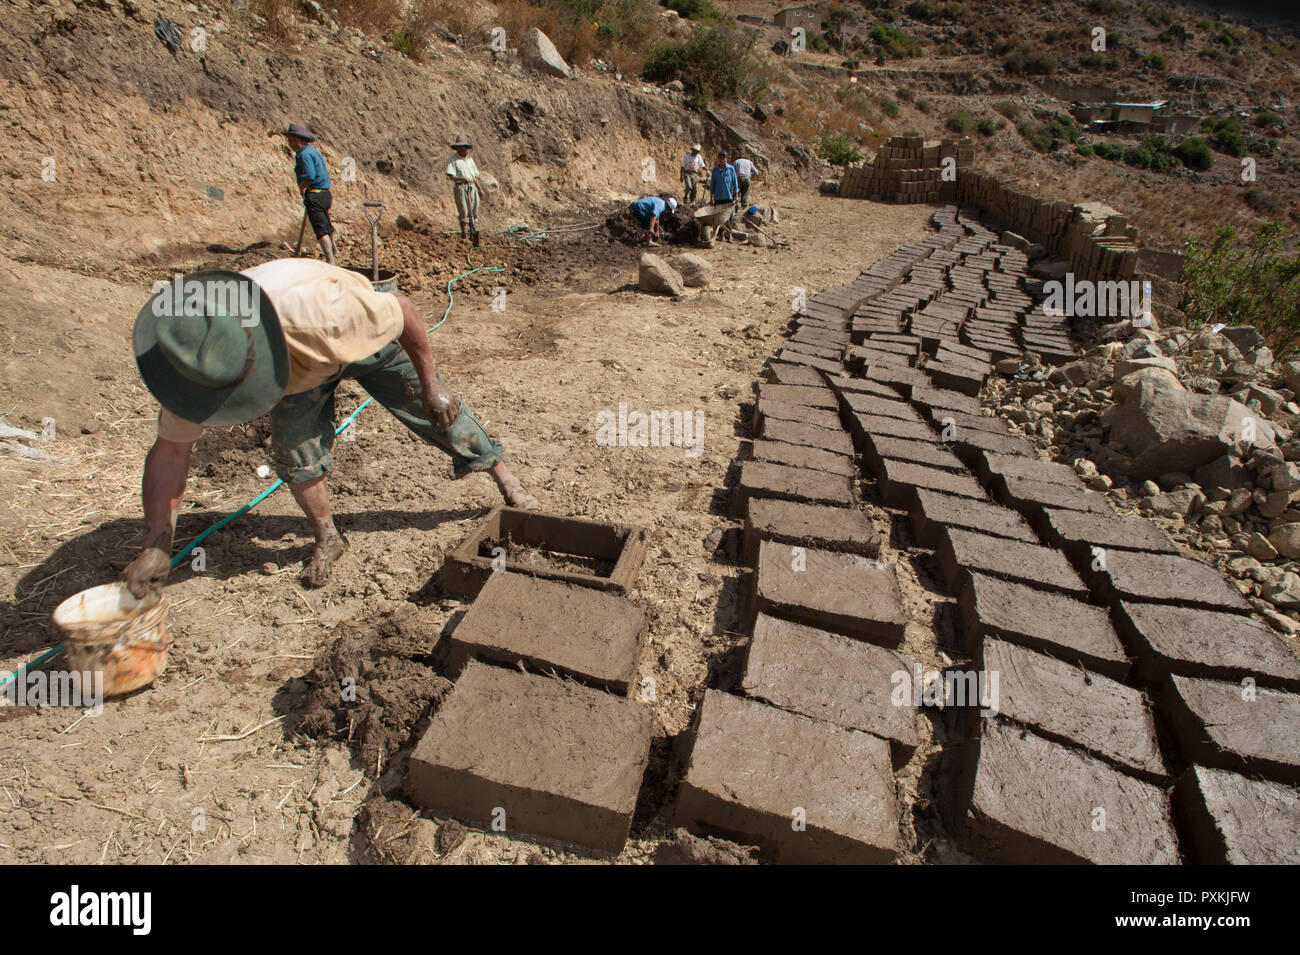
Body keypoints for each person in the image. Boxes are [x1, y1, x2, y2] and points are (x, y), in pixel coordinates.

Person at [125, 260, 538, 594]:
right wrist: (156, 543)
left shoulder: (323, 312)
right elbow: (170, 453)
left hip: (349, 341)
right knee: (293, 447)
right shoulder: (193, 363)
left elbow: (404, 309)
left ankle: (502, 475)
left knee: (432, 409)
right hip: (294, 364)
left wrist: (431, 382)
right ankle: (328, 536)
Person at [281, 123, 335, 264]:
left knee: (321, 230)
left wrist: (302, 187)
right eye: (290, 140)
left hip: (315, 194)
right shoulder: (313, 151)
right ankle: (334, 250)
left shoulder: (304, 155)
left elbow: (309, 176)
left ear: (303, 140)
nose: (292, 144)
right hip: (325, 194)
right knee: (326, 224)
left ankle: (331, 260)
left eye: (295, 140)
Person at [445, 135, 481, 247]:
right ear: (456, 148)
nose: (461, 149)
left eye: (463, 147)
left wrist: (480, 189)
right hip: (461, 187)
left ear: (467, 148)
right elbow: (451, 176)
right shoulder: (453, 160)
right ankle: (464, 234)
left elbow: (475, 176)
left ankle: (472, 231)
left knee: (473, 210)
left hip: (472, 187)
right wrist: (461, 179)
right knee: (464, 210)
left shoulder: (470, 160)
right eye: (459, 147)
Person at [709, 150, 739, 228]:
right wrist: (711, 198)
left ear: (726, 159)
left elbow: (735, 183)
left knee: (729, 217)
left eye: (724, 158)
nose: (722, 160)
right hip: (718, 198)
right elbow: (712, 185)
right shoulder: (715, 170)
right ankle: (720, 233)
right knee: (718, 217)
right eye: (720, 158)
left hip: (728, 198)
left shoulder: (731, 169)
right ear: (718, 159)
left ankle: (729, 234)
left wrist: (736, 195)